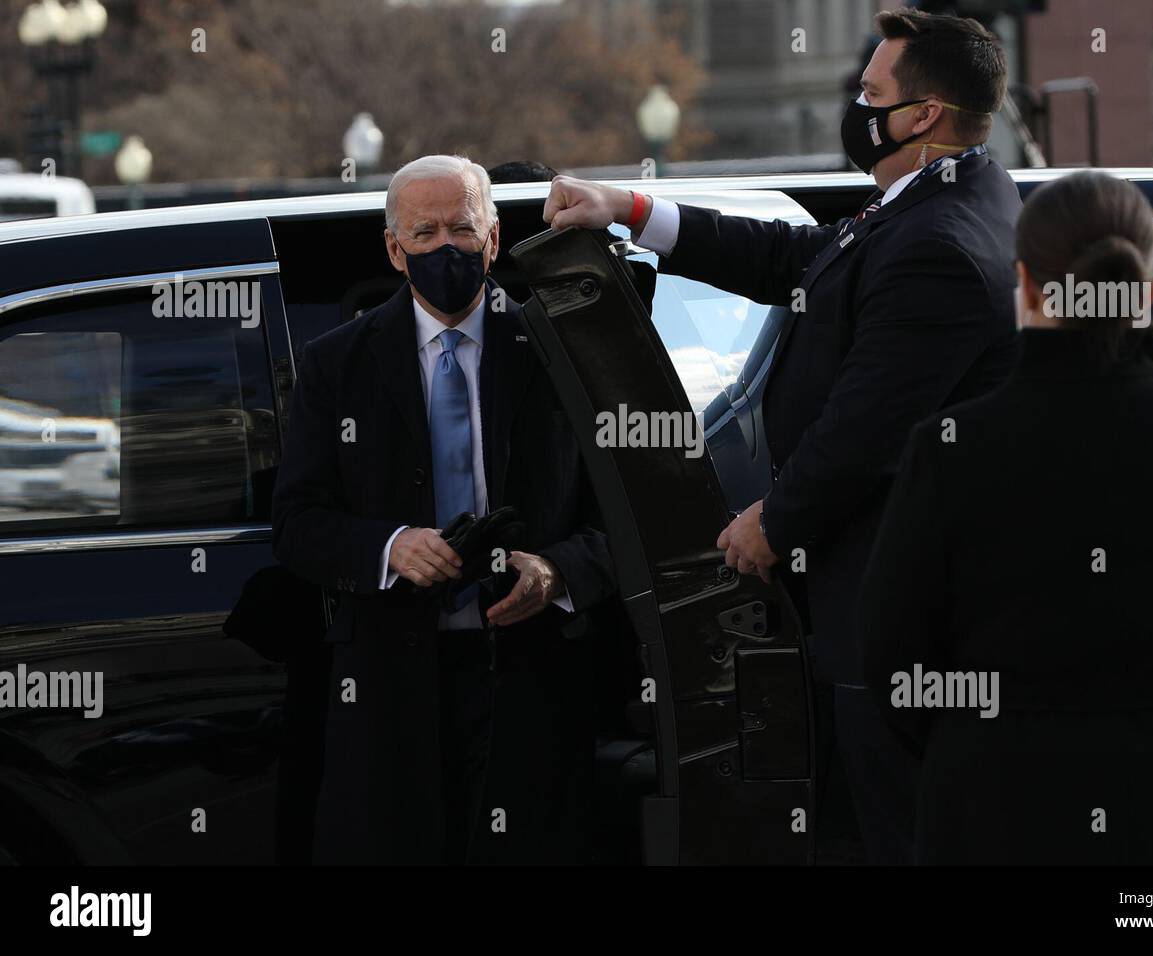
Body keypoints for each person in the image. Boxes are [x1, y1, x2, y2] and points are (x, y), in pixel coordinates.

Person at [542, 7, 1019, 863]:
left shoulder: (937, 242)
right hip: (890, 609)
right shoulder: (943, 201)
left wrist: (773, 522)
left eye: (872, 92)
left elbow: (867, 427)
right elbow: (794, 258)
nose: (857, 105)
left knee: (910, 834)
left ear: (924, 116)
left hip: (906, 624)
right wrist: (630, 208)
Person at [859, 170, 1153, 864]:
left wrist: (976, 736)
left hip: (1001, 792)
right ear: (1152, 286)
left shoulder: (951, 448)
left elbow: (893, 657)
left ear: (1025, 287)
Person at [272, 154, 615, 864]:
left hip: (530, 681)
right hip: (391, 688)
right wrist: (390, 546)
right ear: (395, 252)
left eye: (461, 229)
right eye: (423, 234)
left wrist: (555, 570)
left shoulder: (563, 357)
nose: (445, 248)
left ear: (492, 240)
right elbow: (297, 522)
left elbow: (624, 521)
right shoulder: (337, 365)